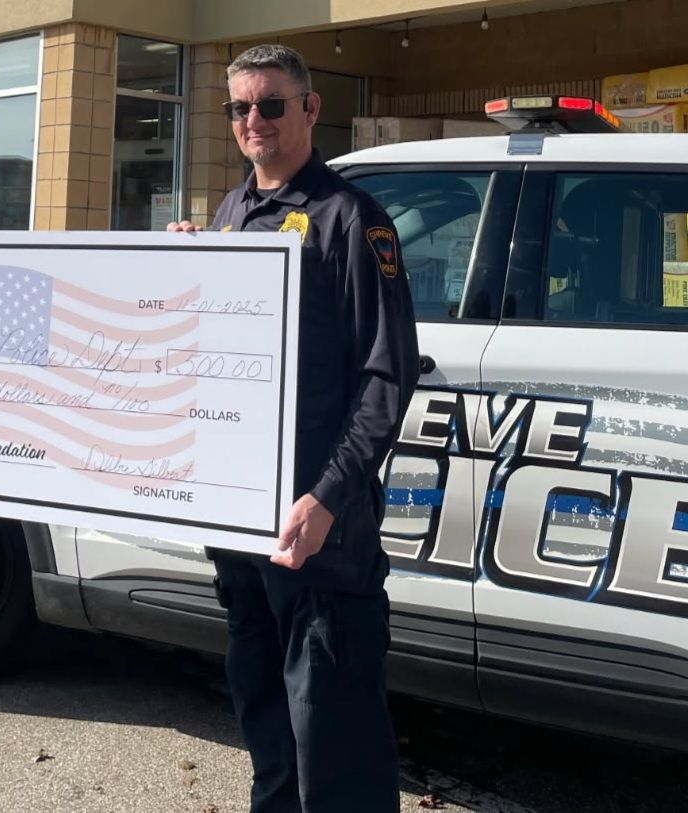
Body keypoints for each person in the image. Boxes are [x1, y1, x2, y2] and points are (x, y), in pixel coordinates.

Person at [169, 44, 420, 812]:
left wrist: (328, 498)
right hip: (243, 528)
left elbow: (387, 375)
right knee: (268, 731)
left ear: (309, 110)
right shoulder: (230, 214)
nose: (254, 120)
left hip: (317, 532)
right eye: (239, 107)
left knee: (335, 741)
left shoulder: (351, 220)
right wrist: (173, 270)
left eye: (271, 104)